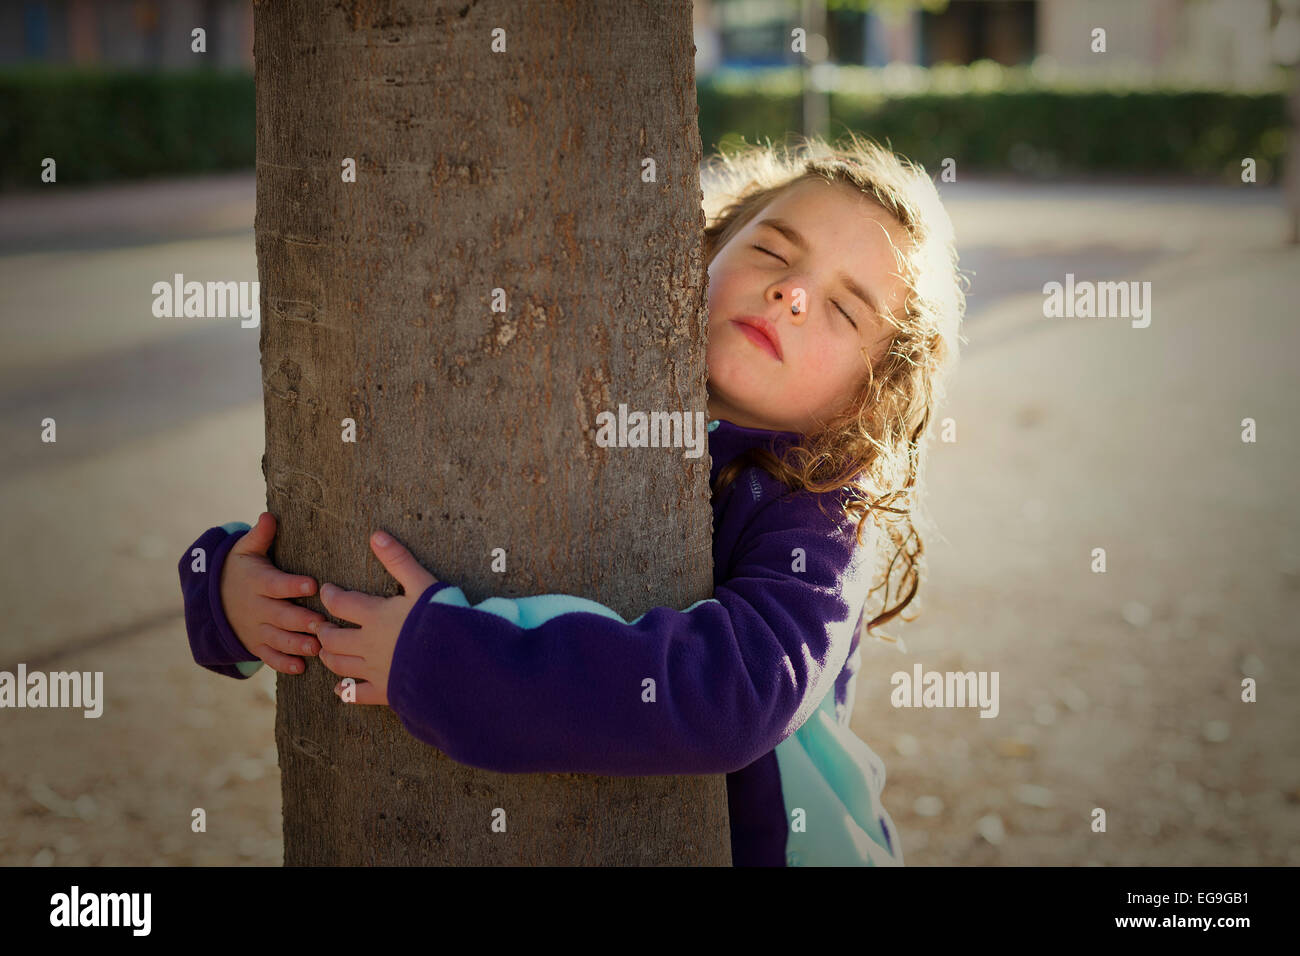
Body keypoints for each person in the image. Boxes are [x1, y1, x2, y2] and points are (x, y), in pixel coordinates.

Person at [178, 132, 966, 866]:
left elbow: (735, 693)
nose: (792, 292)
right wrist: (234, 590)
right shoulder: (591, 393)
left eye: (842, 309)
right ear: (705, 246)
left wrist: (449, 664)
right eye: (770, 251)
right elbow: (375, 533)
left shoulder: (824, 507)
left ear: (873, 393)